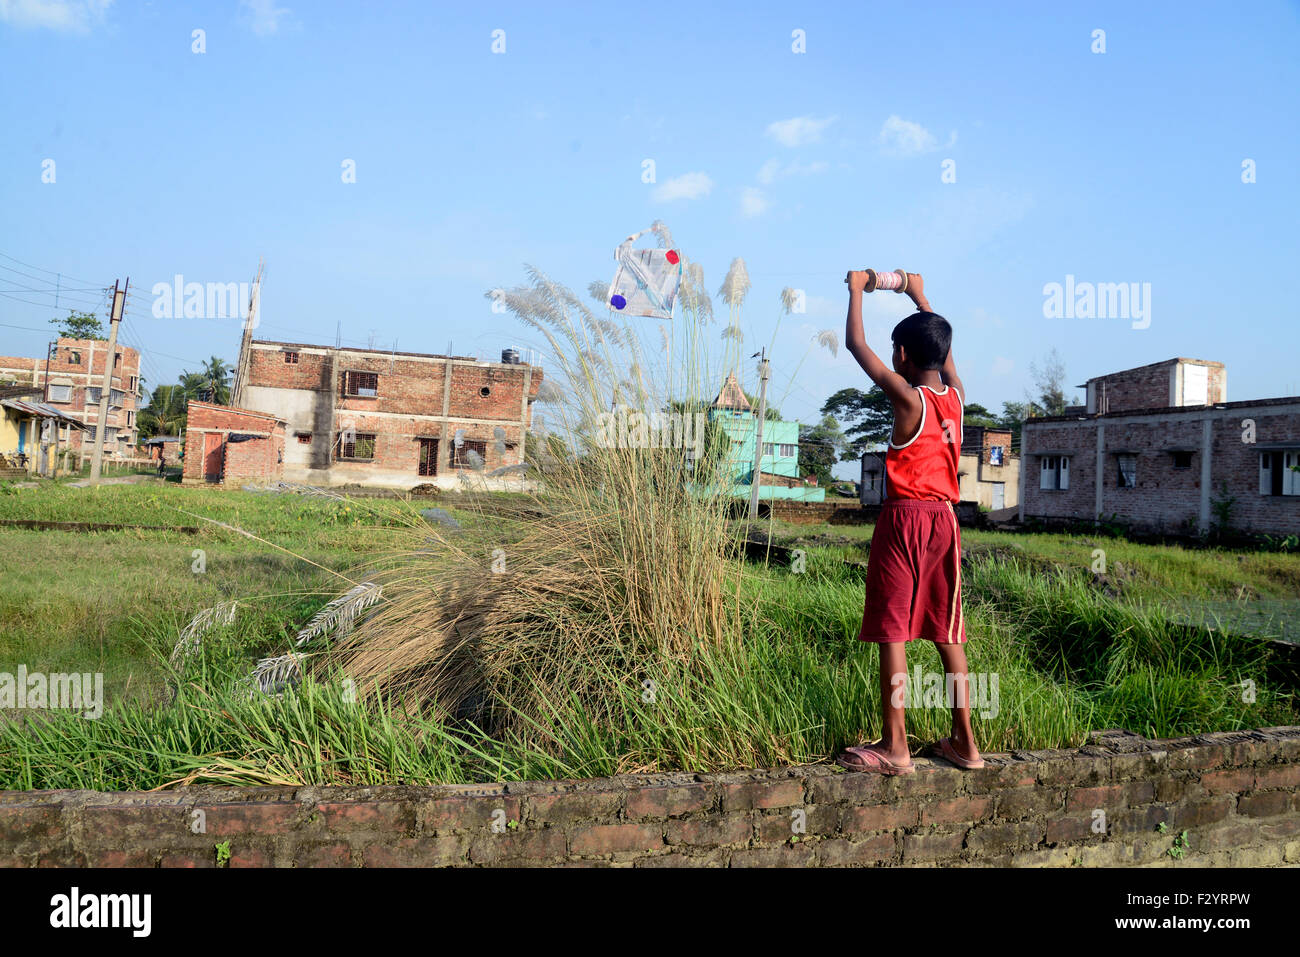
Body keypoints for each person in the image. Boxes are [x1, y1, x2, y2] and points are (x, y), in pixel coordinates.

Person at [838, 270, 983, 774]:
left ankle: (895, 748)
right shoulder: (957, 399)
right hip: (946, 521)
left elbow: (857, 343)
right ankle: (966, 743)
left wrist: (858, 288)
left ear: (901, 354)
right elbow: (943, 357)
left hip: (904, 521)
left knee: (893, 631)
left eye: (897, 348)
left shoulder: (907, 399)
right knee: (948, 635)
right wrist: (919, 295)